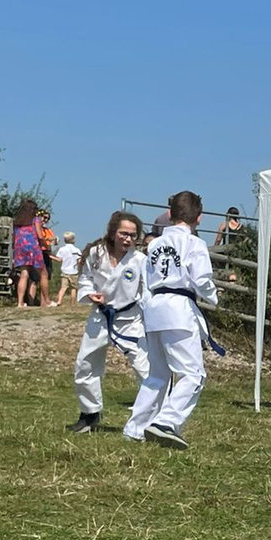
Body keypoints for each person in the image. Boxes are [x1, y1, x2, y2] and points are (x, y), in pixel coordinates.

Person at [124, 190, 218, 448]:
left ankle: (135, 428)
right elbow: (200, 280)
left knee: (157, 375)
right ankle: (166, 421)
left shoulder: (154, 244)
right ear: (199, 218)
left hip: (154, 308)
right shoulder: (194, 244)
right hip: (178, 308)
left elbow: (147, 278)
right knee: (193, 374)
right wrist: (214, 296)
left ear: (170, 214)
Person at [67, 212, 149, 433]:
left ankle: (152, 416)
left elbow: (148, 292)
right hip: (100, 315)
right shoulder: (96, 253)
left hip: (129, 319)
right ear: (113, 232)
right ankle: (89, 414)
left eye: (133, 235)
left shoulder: (140, 261)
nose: (128, 239)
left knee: (144, 367)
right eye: (123, 233)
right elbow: (85, 278)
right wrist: (90, 294)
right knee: (85, 364)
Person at [12, 200, 50, 309]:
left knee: (24, 274)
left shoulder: (17, 222)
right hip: (33, 248)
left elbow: (15, 237)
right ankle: (47, 301)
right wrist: (45, 244)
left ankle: (20, 303)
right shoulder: (35, 220)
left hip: (20, 249)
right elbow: (40, 235)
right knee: (43, 274)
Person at [55, 232, 82, 306]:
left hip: (65, 271)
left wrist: (51, 256)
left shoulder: (62, 249)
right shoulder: (77, 250)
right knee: (73, 288)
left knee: (63, 287)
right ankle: (72, 303)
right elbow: (79, 260)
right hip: (74, 271)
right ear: (73, 240)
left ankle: (59, 301)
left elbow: (59, 260)